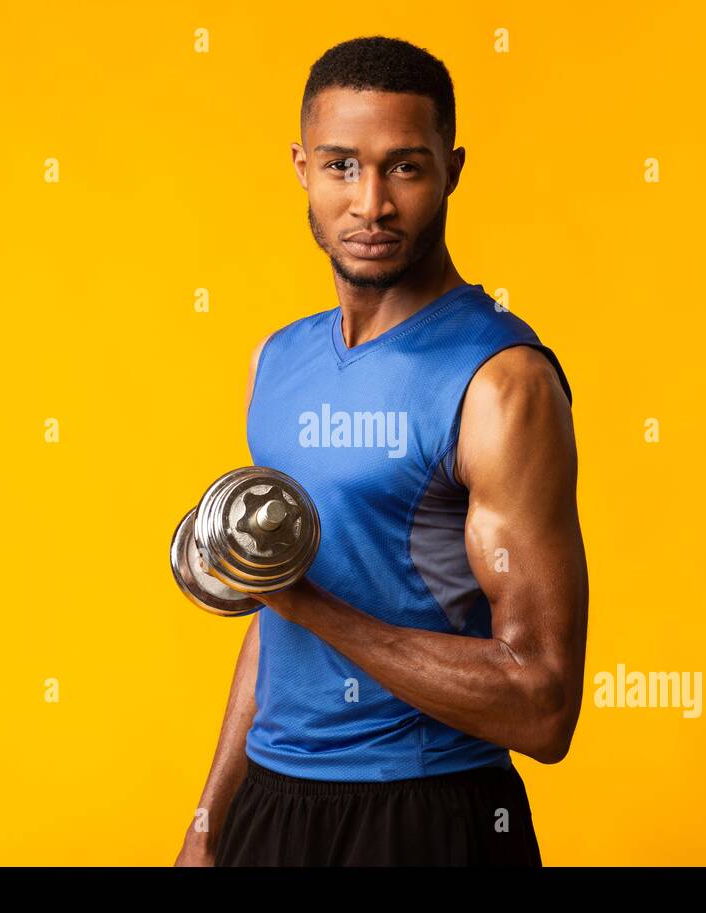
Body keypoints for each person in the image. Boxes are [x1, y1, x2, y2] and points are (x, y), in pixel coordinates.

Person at [175, 34, 588, 867]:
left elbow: (543, 704)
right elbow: (271, 623)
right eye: (340, 166)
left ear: (452, 170)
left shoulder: (500, 383)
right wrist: (207, 825)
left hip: (426, 815)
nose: (371, 204)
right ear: (300, 167)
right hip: (272, 804)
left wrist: (303, 601)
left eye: (404, 167)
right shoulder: (278, 361)